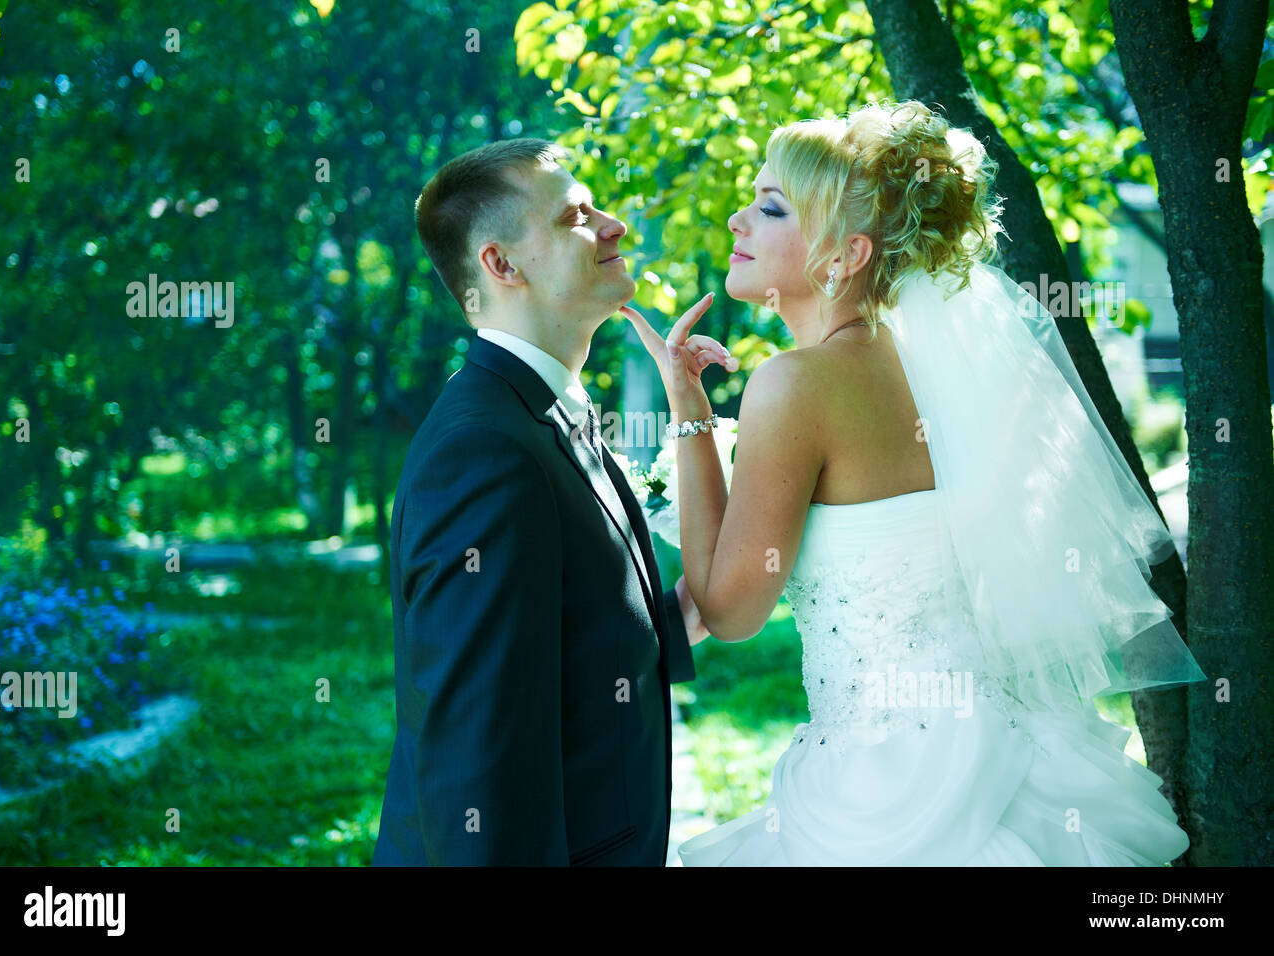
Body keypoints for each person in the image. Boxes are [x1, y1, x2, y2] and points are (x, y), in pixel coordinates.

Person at [622, 99, 1208, 865]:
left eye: (770, 207)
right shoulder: (929, 374)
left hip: (880, 787)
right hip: (1012, 754)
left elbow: (731, 612)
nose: (738, 220)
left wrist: (689, 415)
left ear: (846, 255)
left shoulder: (796, 385)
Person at [371, 138, 735, 865]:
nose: (613, 226)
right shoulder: (484, 452)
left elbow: (552, 636)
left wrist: (673, 617)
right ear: (501, 265)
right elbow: (477, 755)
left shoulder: (540, 413)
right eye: (576, 215)